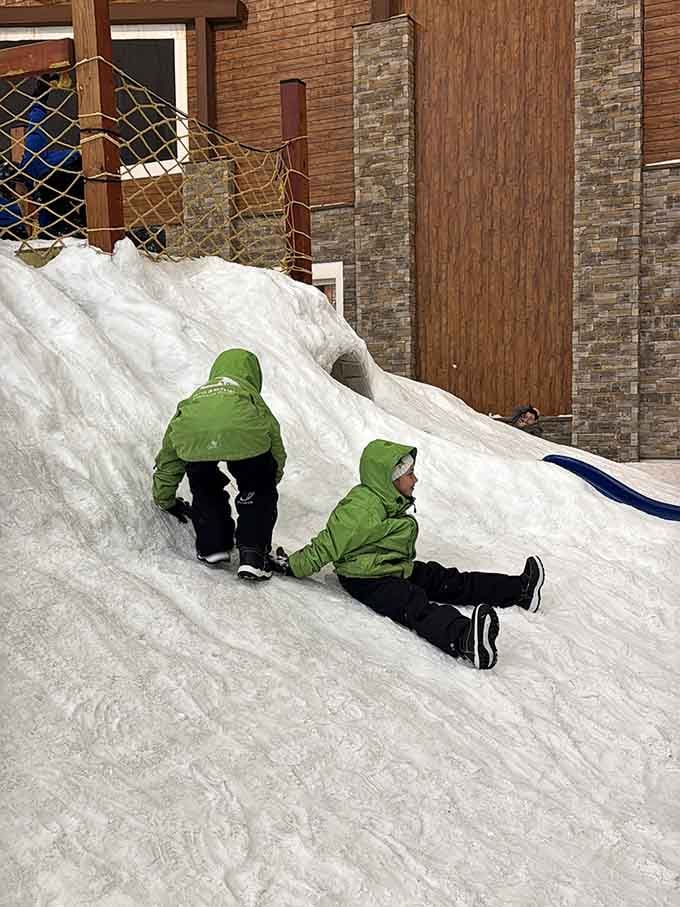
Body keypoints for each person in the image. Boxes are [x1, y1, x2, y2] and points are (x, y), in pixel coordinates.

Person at [269, 440, 545, 670]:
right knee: (414, 605)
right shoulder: (361, 509)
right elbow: (327, 544)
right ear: (389, 478)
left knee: (447, 579)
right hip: (367, 578)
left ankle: (520, 590)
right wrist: (292, 565)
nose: (415, 479)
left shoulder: (385, 498)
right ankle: (466, 640)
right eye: (408, 474)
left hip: (393, 566)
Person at [153, 348, 286, 581]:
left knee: (204, 483)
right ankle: (253, 556)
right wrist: (269, 480)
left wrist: (164, 497)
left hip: (193, 433)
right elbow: (273, 438)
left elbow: (169, 456)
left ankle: (213, 546)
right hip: (244, 432)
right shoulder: (246, 392)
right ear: (253, 374)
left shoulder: (198, 395)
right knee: (256, 487)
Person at [19, 73, 85, 238]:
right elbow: (35, 119)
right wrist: (42, 90)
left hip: (71, 171)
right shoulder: (32, 169)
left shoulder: (32, 161)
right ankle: (76, 226)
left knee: (52, 204)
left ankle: (75, 226)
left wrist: (42, 90)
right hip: (72, 174)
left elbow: (35, 120)